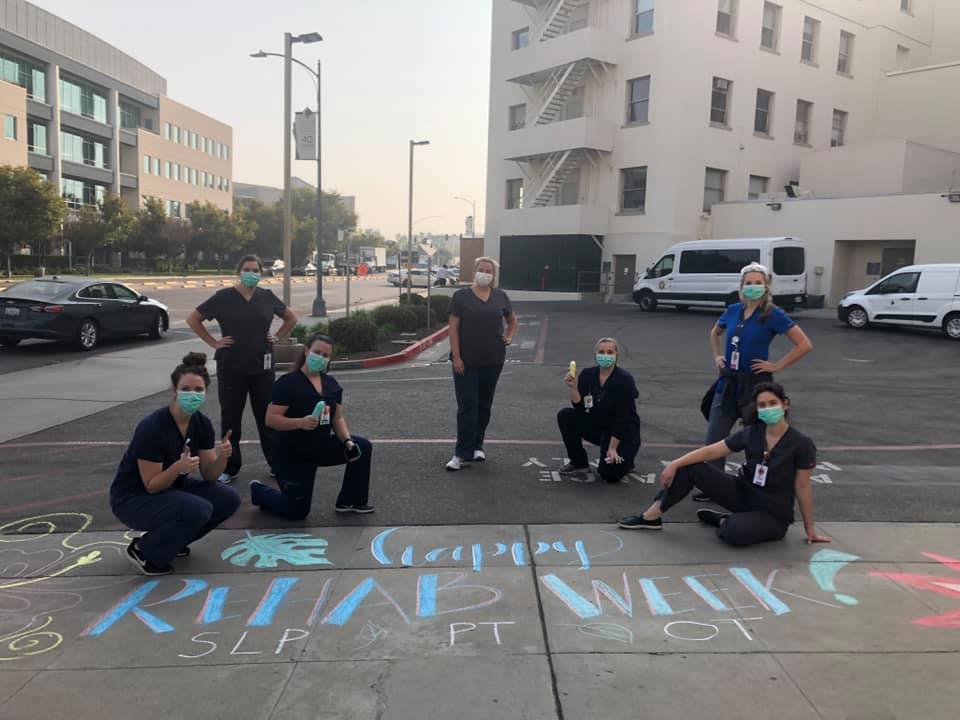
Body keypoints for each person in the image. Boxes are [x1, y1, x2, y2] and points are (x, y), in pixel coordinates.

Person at [618, 382, 831, 547]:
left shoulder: (801, 444)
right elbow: (713, 450)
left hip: (773, 513)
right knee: (691, 466)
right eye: (762, 405)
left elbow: (803, 486)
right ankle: (651, 517)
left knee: (734, 534)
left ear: (785, 404)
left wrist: (809, 528)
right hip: (743, 494)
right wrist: (675, 462)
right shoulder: (751, 433)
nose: (768, 409)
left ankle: (722, 520)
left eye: (772, 403)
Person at [110, 353, 241, 575]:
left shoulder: (201, 424)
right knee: (198, 508)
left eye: (198, 390)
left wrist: (223, 457)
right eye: (186, 389)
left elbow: (210, 475)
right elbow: (151, 485)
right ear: (174, 389)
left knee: (228, 499)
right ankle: (144, 550)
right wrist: (178, 468)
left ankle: (171, 542)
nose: (193, 395)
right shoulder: (153, 427)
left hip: (169, 489)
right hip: (133, 498)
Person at [696, 262, 812, 501]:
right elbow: (714, 333)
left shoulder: (772, 315)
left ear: (766, 286)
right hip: (728, 381)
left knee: (757, 438)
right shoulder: (733, 310)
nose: (753, 287)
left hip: (756, 385)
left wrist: (777, 365)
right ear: (741, 286)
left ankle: (755, 485)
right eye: (748, 283)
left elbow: (804, 345)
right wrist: (717, 356)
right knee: (715, 435)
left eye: (758, 283)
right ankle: (714, 486)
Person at [187, 255, 298, 484]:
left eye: (255, 269)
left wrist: (275, 337)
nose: (251, 273)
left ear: (261, 272)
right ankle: (229, 466)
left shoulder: (266, 297)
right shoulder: (224, 297)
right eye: (247, 269)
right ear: (239, 271)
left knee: (267, 418)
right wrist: (214, 343)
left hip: (263, 368)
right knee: (231, 420)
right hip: (231, 367)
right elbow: (193, 319)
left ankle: (276, 463)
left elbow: (291, 318)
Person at [250, 334, 373, 519]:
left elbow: (337, 418)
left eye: (325, 355)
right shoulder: (288, 383)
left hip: (319, 446)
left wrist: (347, 440)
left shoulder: (331, 384)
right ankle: (258, 491)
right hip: (292, 453)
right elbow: (271, 419)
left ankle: (350, 501)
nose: (320, 358)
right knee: (296, 511)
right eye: (317, 352)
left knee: (361, 447)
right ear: (307, 351)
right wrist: (300, 422)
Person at [445, 256, 518, 471]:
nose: (485, 273)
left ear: (493, 275)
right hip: (466, 362)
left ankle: (477, 446)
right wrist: (457, 357)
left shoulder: (500, 296)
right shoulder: (461, 297)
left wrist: (509, 336)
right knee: (467, 406)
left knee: (484, 405)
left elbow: (512, 320)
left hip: (493, 360)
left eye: (489, 270)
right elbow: (453, 328)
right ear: (474, 271)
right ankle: (461, 453)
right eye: (481, 269)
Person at [556, 337, 641, 483]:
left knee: (609, 475)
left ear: (616, 355)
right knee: (566, 415)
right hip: (599, 425)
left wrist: (613, 448)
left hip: (621, 432)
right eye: (601, 352)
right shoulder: (588, 375)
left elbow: (622, 418)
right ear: (595, 354)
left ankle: (626, 459)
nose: (605, 355)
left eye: (609, 352)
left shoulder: (624, 380)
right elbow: (580, 407)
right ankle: (578, 462)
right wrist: (574, 387)